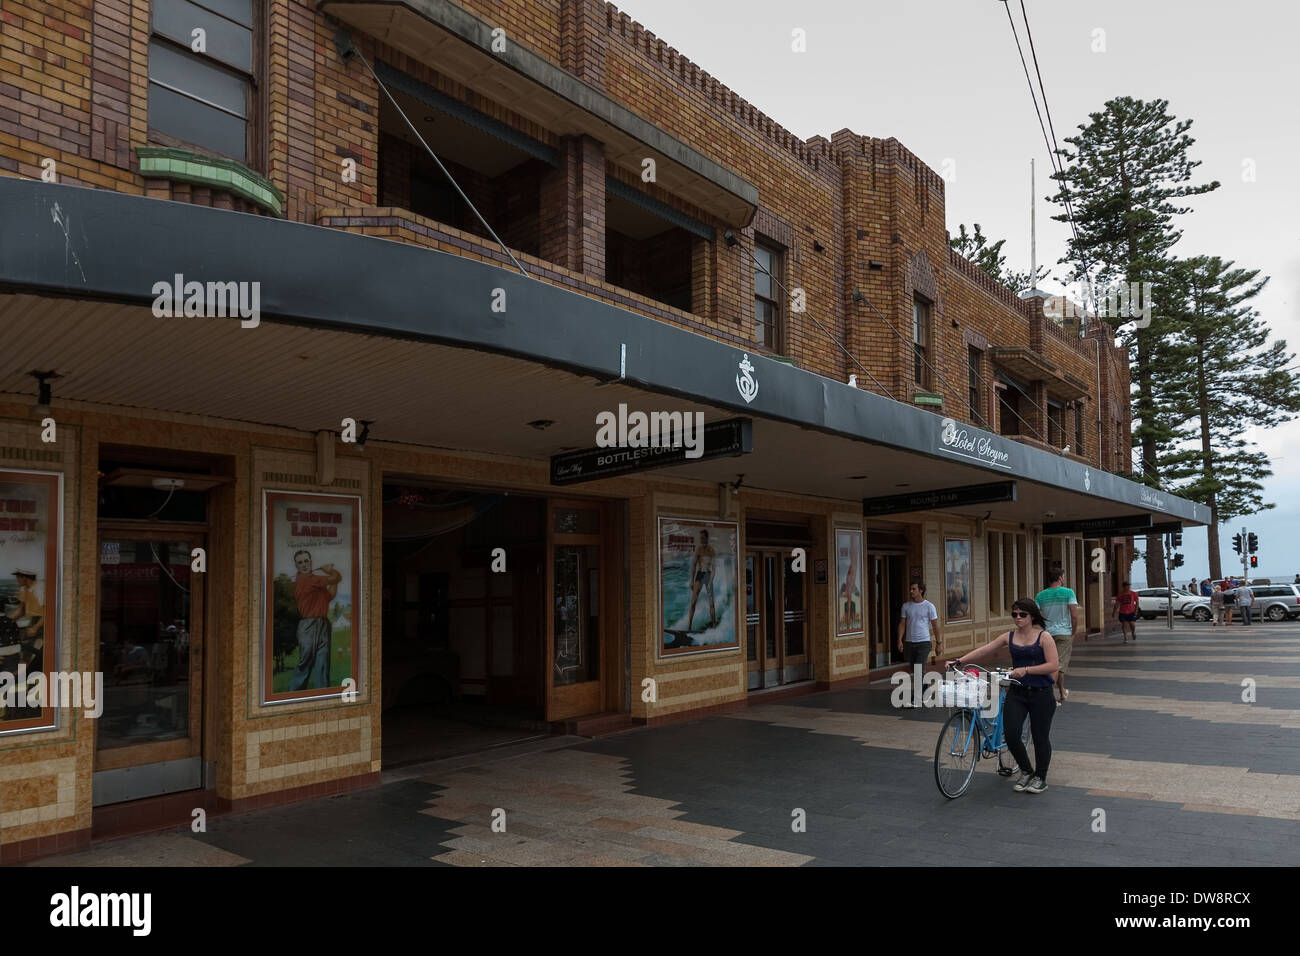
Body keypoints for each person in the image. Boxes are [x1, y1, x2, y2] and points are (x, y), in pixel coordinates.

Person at [950, 597, 1060, 794]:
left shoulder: (1044, 637)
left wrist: (1026, 670)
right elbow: (985, 649)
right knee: (1011, 734)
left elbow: (1053, 666)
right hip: (1017, 692)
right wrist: (959, 660)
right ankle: (1026, 770)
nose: (1018, 618)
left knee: (1040, 737)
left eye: (1022, 614)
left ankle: (1040, 777)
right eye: (1014, 614)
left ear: (1032, 616)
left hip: (1041, 694)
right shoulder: (1009, 637)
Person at [290, 550, 342, 691]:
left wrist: (332, 576)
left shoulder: (315, 583)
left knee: (323, 663)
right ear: (296, 565)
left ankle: (322, 695)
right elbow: (336, 578)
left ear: (311, 562)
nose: (304, 564)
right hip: (308, 626)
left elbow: (329, 596)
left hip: (323, 624)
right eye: (300, 562)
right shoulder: (305, 580)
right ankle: (294, 695)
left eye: (306, 561)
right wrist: (331, 571)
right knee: (305, 664)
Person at [1036, 567, 1078, 705]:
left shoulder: (1040, 595)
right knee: (1057, 666)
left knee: (1053, 664)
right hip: (1064, 633)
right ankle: (1047, 696)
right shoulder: (1068, 593)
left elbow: (1035, 615)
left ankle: (1062, 692)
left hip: (1047, 634)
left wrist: (1044, 628)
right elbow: (1074, 615)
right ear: (1060, 578)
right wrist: (1073, 632)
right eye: (1063, 576)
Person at [896, 581, 941, 706]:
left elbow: (935, 625)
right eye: (910, 589)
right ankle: (925, 688)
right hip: (910, 643)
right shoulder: (906, 606)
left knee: (918, 670)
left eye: (913, 589)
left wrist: (939, 643)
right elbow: (902, 623)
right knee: (914, 669)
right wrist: (899, 640)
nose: (911, 591)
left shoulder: (929, 606)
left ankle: (915, 699)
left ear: (921, 590)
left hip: (924, 643)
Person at [686, 530, 717, 630]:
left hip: (708, 575)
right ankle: (689, 626)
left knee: (711, 602)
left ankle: (714, 625)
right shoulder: (698, 550)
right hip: (699, 575)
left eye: (703, 538)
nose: (702, 540)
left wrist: (710, 582)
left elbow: (714, 569)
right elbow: (694, 565)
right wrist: (691, 580)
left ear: (707, 538)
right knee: (693, 601)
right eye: (701, 538)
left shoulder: (711, 550)